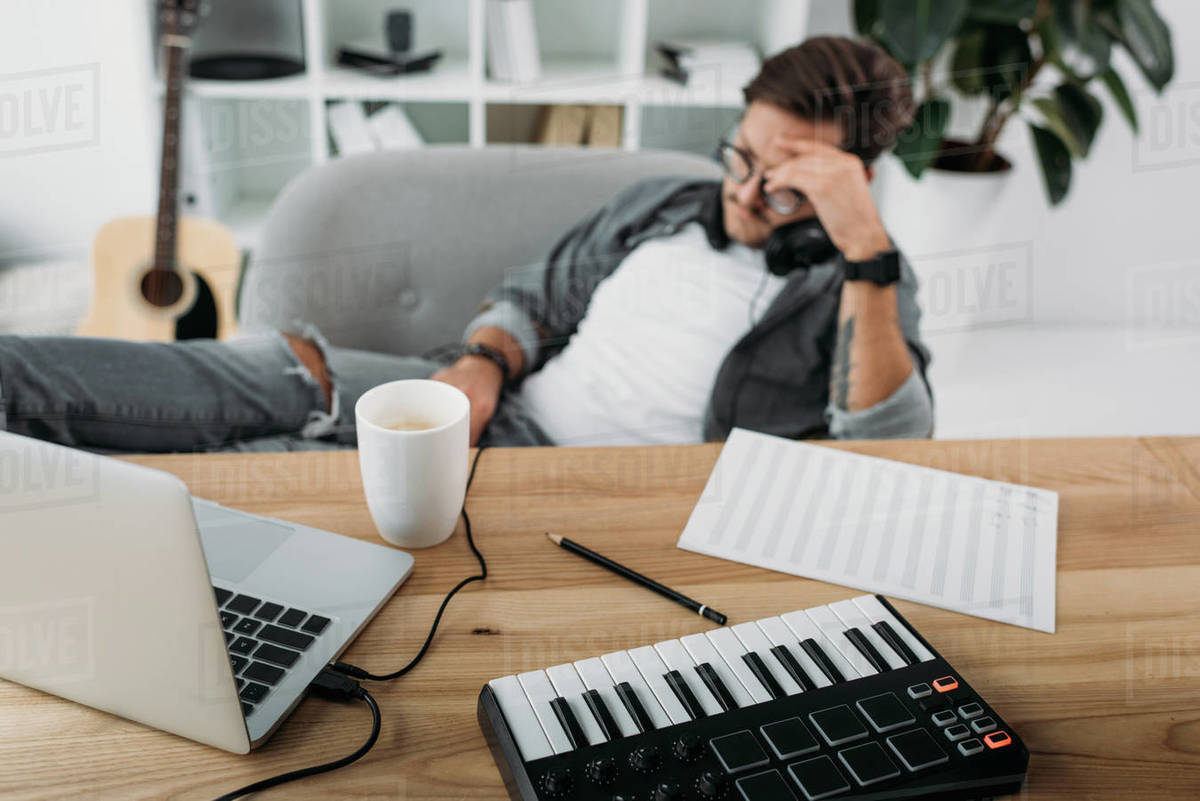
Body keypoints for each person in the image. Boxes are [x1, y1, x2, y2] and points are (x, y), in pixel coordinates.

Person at [0, 37, 932, 454]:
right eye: (742, 153)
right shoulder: (664, 204)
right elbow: (537, 294)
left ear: (850, 178)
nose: (746, 189)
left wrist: (866, 256)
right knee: (259, 372)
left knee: (233, 483)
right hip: (489, 407)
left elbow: (892, 442)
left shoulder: (866, 286)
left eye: (787, 177)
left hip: (558, 478)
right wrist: (483, 362)